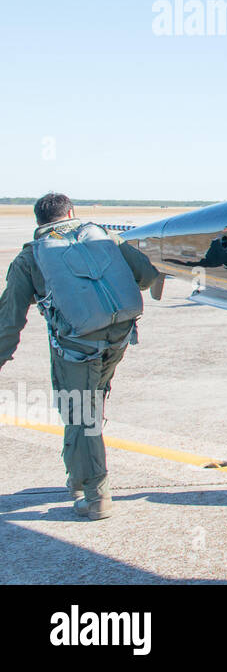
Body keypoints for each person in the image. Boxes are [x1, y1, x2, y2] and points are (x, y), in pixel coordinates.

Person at [0, 193, 162, 519]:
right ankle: (77, 478)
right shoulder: (105, 237)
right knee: (87, 404)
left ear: (39, 221)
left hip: (76, 348)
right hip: (120, 337)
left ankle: (95, 495)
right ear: (71, 212)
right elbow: (147, 275)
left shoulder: (30, 258)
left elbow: (10, 320)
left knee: (79, 413)